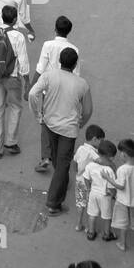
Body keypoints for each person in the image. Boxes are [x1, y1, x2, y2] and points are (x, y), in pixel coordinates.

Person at [28, 47, 93, 215]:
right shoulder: (82, 84)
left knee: (58, 160)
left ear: (60, 61)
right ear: (75, 64)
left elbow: (33, 93)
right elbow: (87, 111)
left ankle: (60, 184)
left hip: (50, 124)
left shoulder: (49, 76)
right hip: (68, 130)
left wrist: (38, 114)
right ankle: (53, 203)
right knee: (63, 164)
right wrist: (80, 124)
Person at [32, 16, 81, 172]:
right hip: (68, 91)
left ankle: (46, 157)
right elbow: (77, 74)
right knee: (64, 121)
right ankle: (61, 154)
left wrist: (32, 87)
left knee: (46, 122)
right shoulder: (75, 49)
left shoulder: (48, 45)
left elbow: (40, 68)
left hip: (49, 89)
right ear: (69, 31)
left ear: (55, 28)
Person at [0, 4, 30, 159]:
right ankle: (11, 142)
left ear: (2, 17)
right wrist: (27, 81)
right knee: (15, 107)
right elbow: (23, 62)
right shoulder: (18, 36)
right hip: (12, 78)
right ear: (15, 19)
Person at [83, 139, 119, 242]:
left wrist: (89, 189)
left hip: (93, 193)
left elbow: (86, 178)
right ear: (111, 157)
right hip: (105, 196)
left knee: (92, 214)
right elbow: (112, 187)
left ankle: (91, 232)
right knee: (107, 216)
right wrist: (113, 195)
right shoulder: (109, 171)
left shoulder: (90, 166)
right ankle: (107, 235)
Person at [73, 125, 105, 232]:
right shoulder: (93, 153)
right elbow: (102, 162)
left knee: (80, 203)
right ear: (95, 139)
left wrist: (77, 173)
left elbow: (75, 162)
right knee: (89, 205)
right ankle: (88, 226)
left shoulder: (80, 149)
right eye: (101, 141)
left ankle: (78, 224)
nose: (101, 144)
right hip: (89, 183)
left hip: (79, 181)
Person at [111, 139, 134, 253]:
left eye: (120, 152)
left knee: (123, 223)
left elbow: (120, 186)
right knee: (132, 216)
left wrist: (108, 178)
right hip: (133, 199)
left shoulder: (122, 170)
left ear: (124, 154)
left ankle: (122, 243)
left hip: (123, 200)